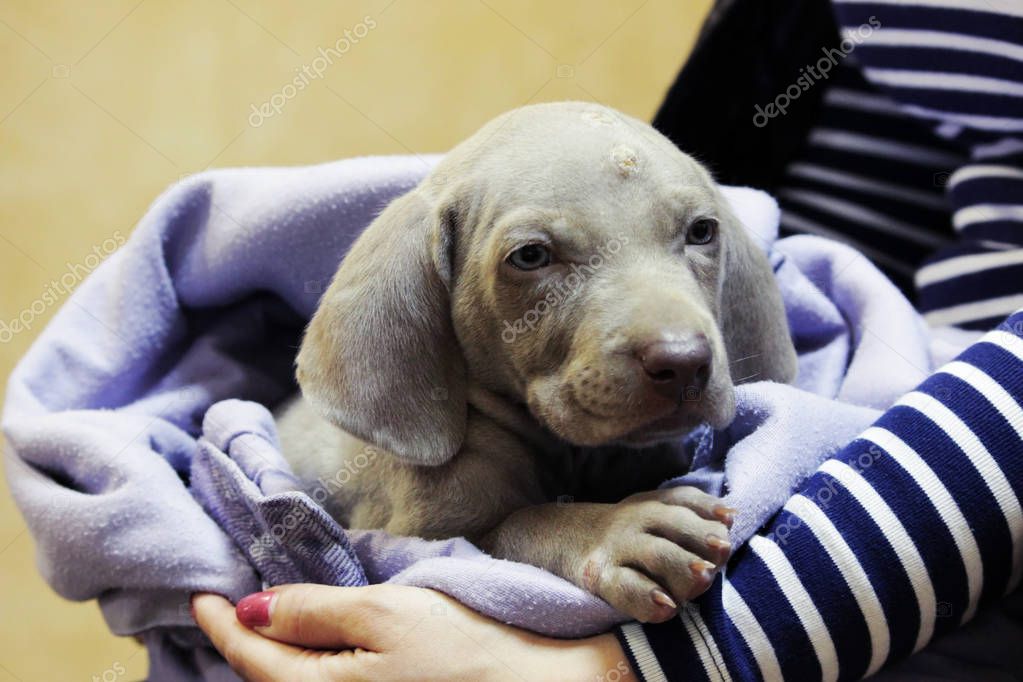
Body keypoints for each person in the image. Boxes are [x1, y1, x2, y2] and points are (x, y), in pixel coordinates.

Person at [192, 0, 1023, 678]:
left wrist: (625, 667)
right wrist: (582, 535)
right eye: (532, 256)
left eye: (696, 235)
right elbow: (441, 533)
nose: (673, 344)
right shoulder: (445, 404)